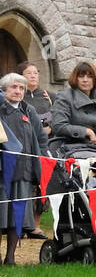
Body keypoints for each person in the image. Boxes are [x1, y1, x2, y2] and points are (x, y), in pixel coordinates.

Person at [0, 72, 49, 264]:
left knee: (16, 216)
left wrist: (42, 158)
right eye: (13, 87)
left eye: (21, 88)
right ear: (4, 90)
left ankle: (10, 257)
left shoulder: (28, 110)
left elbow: (41, 138)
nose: (18, 91)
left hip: (24, 172)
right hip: (3, 171)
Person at [48, 61, 96, 158]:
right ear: (75, 78)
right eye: (81, 76)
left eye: (89, 76)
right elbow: (58, 126)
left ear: (95, 79)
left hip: (95, 149)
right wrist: (86, 131)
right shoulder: (64, 97)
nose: (85, 80)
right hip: (67, 148)